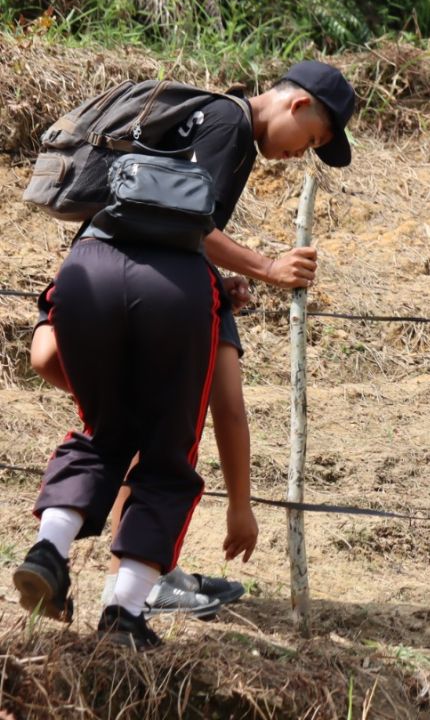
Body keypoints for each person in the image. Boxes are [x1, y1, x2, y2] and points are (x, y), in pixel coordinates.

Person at [25, 61, 356, 622]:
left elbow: (162, 216)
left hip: (89, 270)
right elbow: (185, 220)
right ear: (296, 106)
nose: (303, 153)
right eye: (313, 140)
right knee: (168, 454)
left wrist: (218, 277)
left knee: (106, 434)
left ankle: (48, 552)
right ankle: (126, 612)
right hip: (161, 294)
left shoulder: (198, 114)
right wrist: (267, 267)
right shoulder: (230, 123)